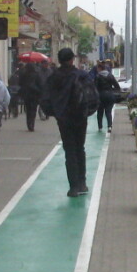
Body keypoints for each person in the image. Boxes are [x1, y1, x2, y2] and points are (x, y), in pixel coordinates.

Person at [42, 47, 98, 197]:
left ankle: (73, 186)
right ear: (72, 59)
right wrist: (87, 112)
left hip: (64, 118)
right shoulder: (82, 76)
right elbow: (93, 96)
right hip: (80, 117)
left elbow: (45, 99)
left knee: (69, 150)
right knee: (80, 148)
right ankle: (82, 182)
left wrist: (55, 112)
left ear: (59, 60)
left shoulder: (54, 77)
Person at [95, 62, 121, 133]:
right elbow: (117, 86)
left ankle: (100, 127)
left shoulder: (98, 76)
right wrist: (112, 91)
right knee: (108, 112)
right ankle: (109, 126)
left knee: (100, 112)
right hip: (110, 96)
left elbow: (95, 88)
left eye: (97, 68)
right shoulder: (110, 76)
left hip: (100, 96)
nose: (97, 70)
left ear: (100, 68)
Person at [19, 61, 44, 131]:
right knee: (33, 109)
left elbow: (20, 83)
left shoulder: (24, 75)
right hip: (34, 95)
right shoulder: (37, 75)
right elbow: (41, 84)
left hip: (27, 95)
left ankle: (28, 123)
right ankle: (32, 123)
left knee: (28, 109)